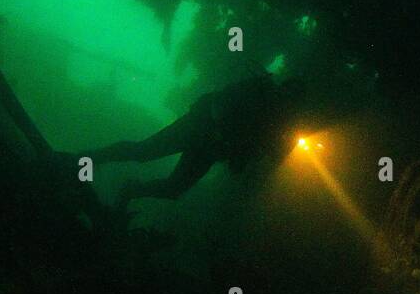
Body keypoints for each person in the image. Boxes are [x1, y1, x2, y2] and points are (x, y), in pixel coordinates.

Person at [91, 72, 310, 208]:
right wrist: (219, 132)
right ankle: (92, 158)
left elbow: (244, 161)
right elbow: (220, 102)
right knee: (144, 152)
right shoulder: (258, 90)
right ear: (284, 91)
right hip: (198, 128)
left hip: (210, 149)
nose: (287, 106)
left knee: (173, 189)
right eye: (289, 98)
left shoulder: (276, 128)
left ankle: (131, 190)